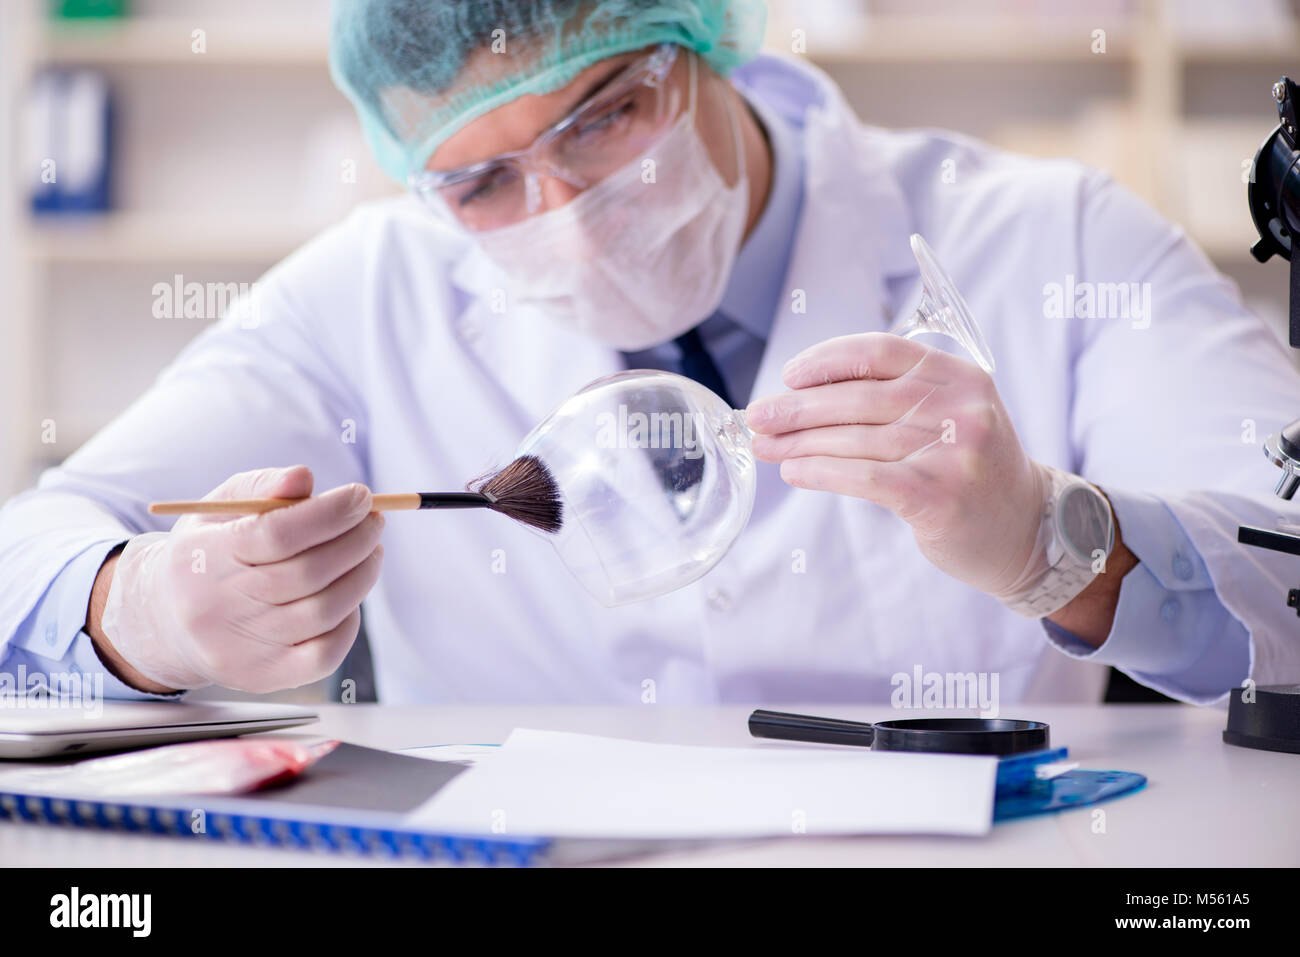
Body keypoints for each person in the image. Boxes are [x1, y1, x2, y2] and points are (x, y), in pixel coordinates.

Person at [2, 0, 1298, 707]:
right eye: (481, 184)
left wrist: (1054, 540)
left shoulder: (1050, 239)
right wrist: (151, 610)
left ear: (701, 44)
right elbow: (29, 551)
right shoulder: (365, 294)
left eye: (607, 115)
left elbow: (1289, 585)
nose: (561, 213)